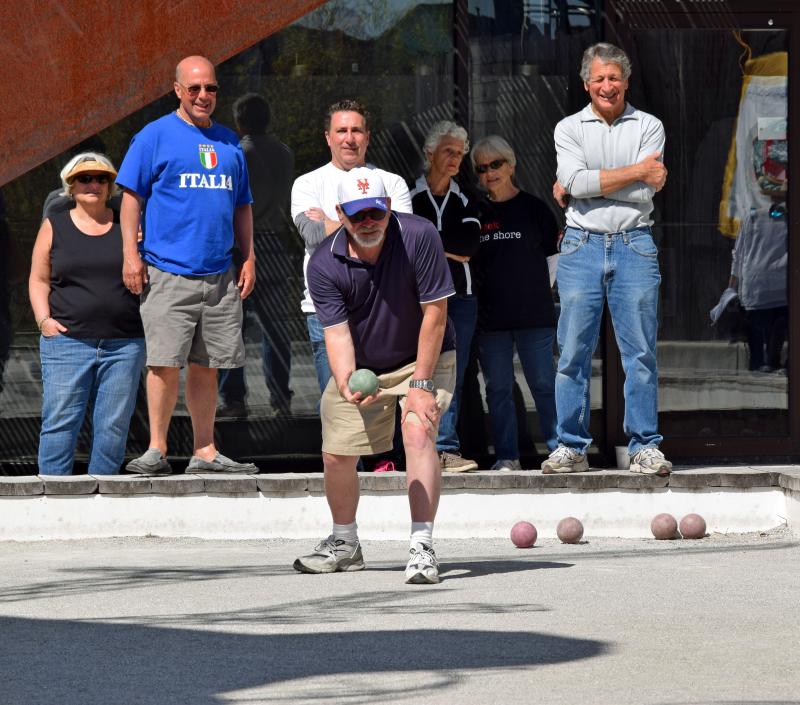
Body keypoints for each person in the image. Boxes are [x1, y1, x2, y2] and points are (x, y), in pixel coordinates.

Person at [294, 168, 456, 584]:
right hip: (365, 362)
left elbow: (435, 315)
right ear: (340, 214)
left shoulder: (419, 235)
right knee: (336, 452)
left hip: (423, 354)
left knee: (418, 430)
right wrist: (347, 381)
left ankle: (422, 546)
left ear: (388, 207)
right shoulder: (325, 262)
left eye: (375, 212)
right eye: (357, 214)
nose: (368, 222)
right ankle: (345, 544)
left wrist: (421, 385)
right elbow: (336, 333)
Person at [116, 55, 258, 475]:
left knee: (207, 365)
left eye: (210, 88)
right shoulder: (153, 136)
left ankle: (205, 451)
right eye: (193, 88)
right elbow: (130, 199)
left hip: (218, 274)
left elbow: (243, 206)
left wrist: (248, 256)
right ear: (177, 89)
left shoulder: (231, 142)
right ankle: (157, 450)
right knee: (163, 362)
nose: (202, 95)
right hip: (167, 269)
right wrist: (130, 254)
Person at [546, 42, 671, 475]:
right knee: (572, 353)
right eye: (598, 78)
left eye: (614, 77)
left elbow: (643, 191)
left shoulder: (649, 125)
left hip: (634, 242)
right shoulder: (568, 128)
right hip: (581, 245)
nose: (606, 86)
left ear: (626, 81)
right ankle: (572, 447)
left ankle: (644, 447)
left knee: (640, 353)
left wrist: (587, 183)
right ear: (586, 84)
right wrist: (635, 171)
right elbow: (574, 182)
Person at [291, 99, 412, 472]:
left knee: (384, 400)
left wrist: (335, 220)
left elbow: (400, 237)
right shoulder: (307, 183)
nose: (349, 138)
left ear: (367, 136)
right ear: (328, 137)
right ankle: (347, 480)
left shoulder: (392, 182)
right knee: (341, 401)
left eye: (356, 130)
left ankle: (382, 468)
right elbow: (312, 235)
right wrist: (370, 221)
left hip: (385, 311)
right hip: (327, 312)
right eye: (341, 130)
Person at [28, 153, 145, 474]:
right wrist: (43, 321)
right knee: (60, 424)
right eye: (85, 178)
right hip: (66, 342)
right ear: (71, 186)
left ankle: (103, 503)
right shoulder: (54, 226)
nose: (93, 184)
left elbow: (145, 276)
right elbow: (38, 279)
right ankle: (51, 500)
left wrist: (141, 250)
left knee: (113, 427)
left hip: (124, 344)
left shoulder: (129, 229)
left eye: (101, 179)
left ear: (110, 187)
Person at [470, 136, 559, 471]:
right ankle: (508, 456)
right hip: (491, 321)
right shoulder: (476, 213)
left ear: (511, 165)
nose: (490, 173)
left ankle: (557, 451)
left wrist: (533, 291)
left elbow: (554, 259)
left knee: (543, 384)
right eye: (482, 168)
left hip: (534, 316)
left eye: (496, 164)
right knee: (498, 389)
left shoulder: (535, 209)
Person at [217, 92, 295, 418]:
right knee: (277, 330)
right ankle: (281, 399)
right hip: (278, 242)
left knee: (231, 327)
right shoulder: (285, 153)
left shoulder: (238, 155)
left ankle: (234, 399)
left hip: (242, 246)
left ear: (240, 122)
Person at [410, 121, 481, 473]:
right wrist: (444, 242)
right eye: (448, 152)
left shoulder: (467, 198)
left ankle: (447, 448)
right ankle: (415, 446)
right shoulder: (408, 196)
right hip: (417, 302)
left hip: (461, 299)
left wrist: (428, 241)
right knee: (417, 372)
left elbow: (468, 247)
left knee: (454, 375)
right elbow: (404, 245)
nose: (455, 159)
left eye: (460, 154)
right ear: (430, 153)